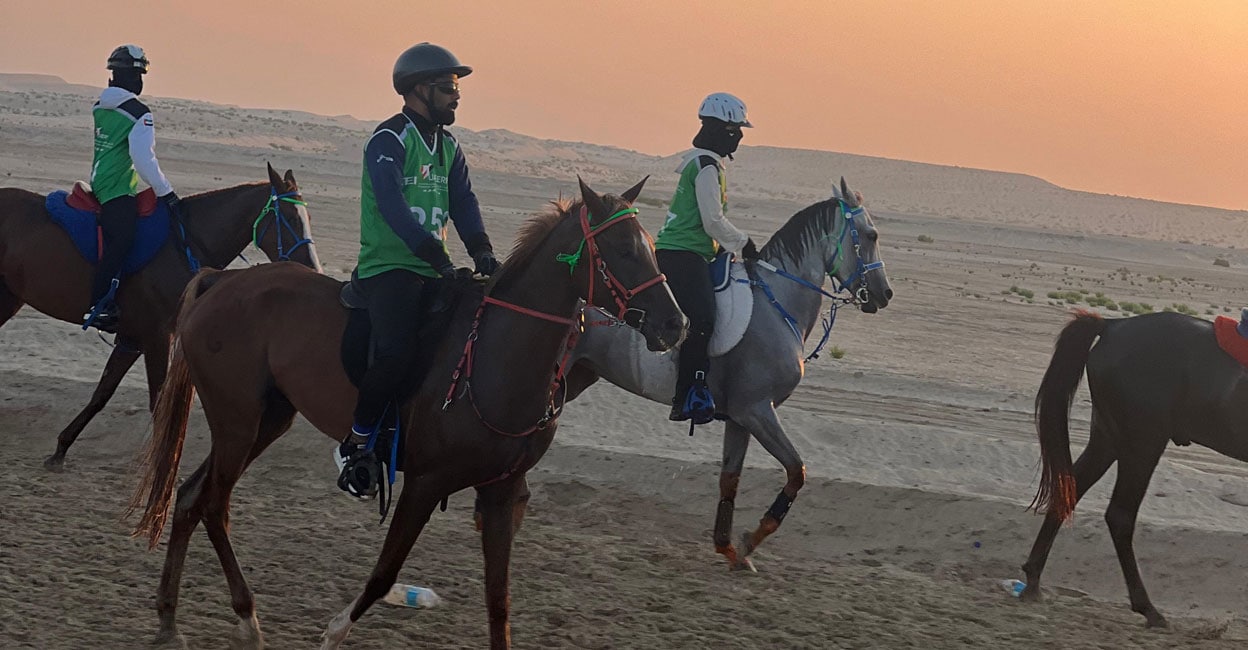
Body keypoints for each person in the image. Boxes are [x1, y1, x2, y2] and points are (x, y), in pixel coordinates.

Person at [334, 43, 500, 497]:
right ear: (417, 89)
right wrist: (436, 256)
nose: (456, 96)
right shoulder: (388, 140)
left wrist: (482, 250)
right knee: (395, 353)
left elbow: (464, 202)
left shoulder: (448, 146)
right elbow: (392, 207)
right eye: (448, 87)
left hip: (436, 268)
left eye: (457, 88)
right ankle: (358, 442)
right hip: (391, 268)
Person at [654, 92, 759, 424]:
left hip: (696, 252)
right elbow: (712, 220)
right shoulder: (706, 167)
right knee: (701, 321)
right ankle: (687, 394)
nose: (740, 136)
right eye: (735, 129)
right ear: (721, 130)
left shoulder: (708, 163)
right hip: (681, 254)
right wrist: (744, 243)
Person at [87, 44, 182, 330]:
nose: (140, 81)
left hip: (98, 179)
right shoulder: (138, 112)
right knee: (124, 238)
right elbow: (143, 159)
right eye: (139, 74)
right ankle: (100, 303)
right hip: (116, 188)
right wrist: (166, 192)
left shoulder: (101, 105)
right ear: (132, 77)